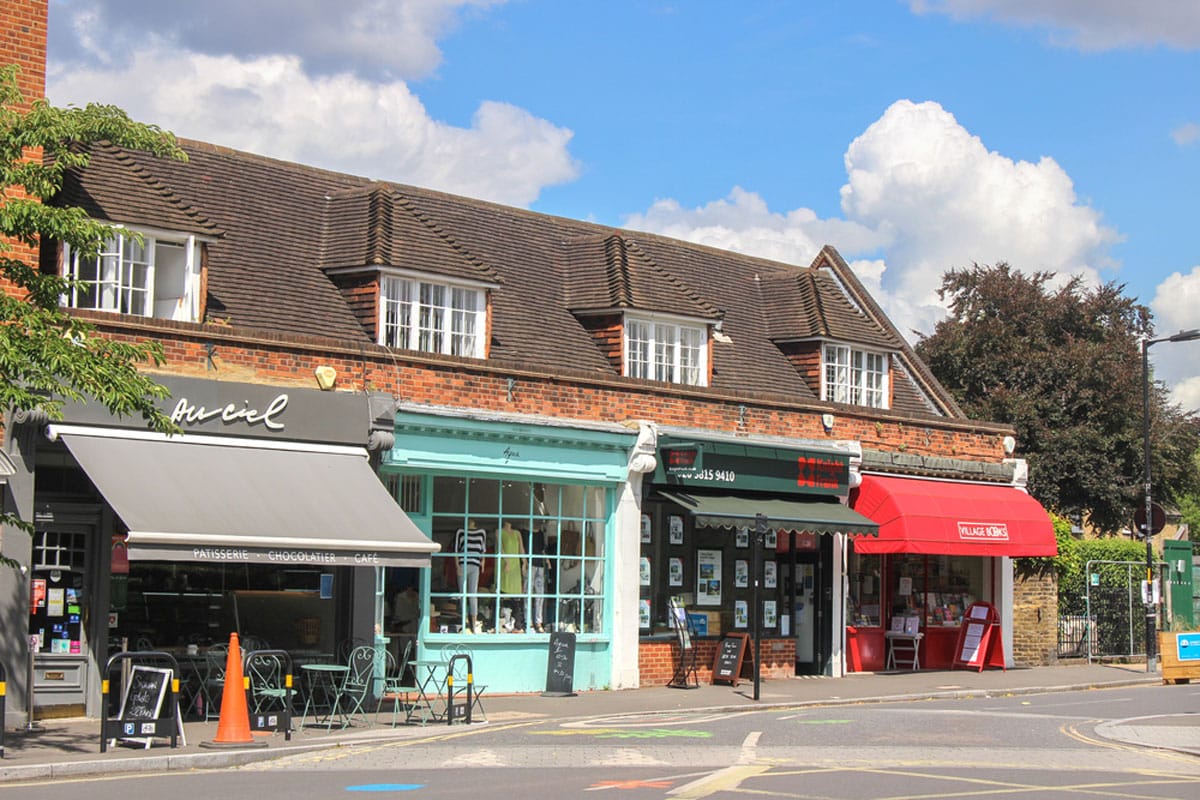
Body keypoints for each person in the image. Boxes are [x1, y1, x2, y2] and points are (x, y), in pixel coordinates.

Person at [455, 519, 487, 633]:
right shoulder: (461, 532)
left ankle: (473, 623)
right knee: (463, 594)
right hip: (463, 564)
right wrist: (457, 566)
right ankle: (464, 622)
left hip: (475, 566)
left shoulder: (482, 532)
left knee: (473, 594)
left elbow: (483, 550)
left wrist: (483, 562)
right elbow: (456, 550)